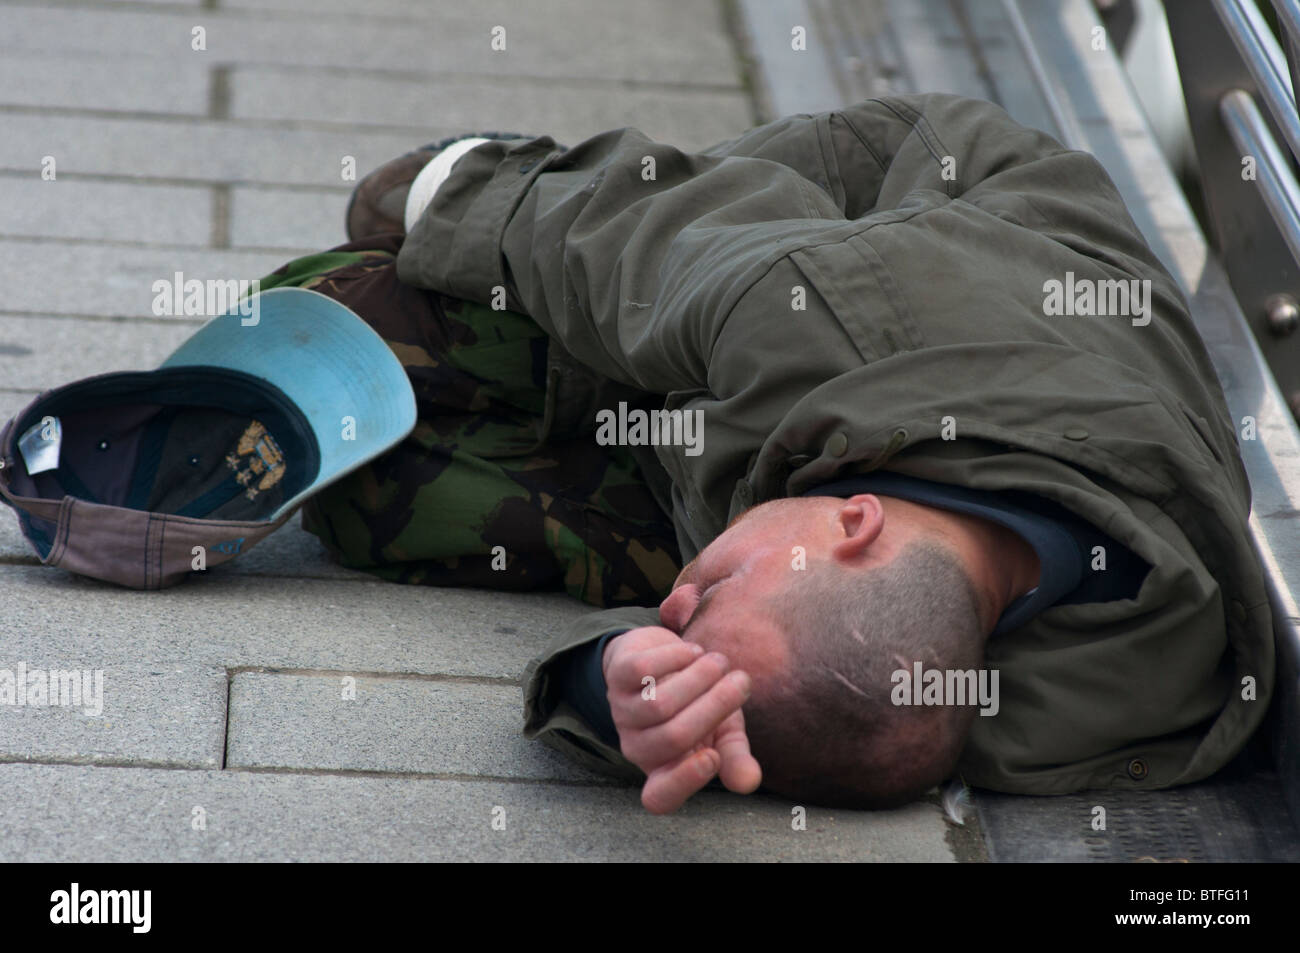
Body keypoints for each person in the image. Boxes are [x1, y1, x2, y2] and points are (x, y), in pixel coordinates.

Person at [265, 93, 1271, 815]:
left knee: (366, 493)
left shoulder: (1005, 702)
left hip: (761, 450)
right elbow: (626, 233)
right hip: (896, 191)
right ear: (851, 518)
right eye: (708, 600)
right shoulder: (811, 308)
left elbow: (777, 725)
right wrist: (455, 190)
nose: (674, 606)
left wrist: (623, 692)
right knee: (345, 305)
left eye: (687, 621)